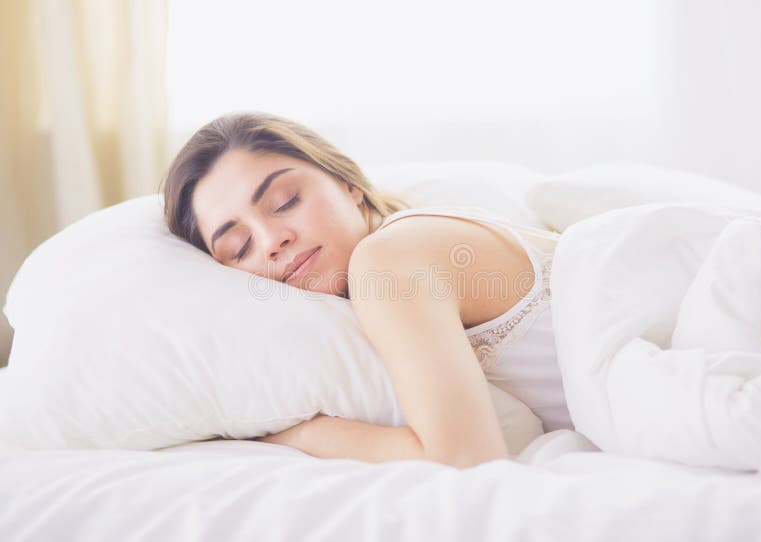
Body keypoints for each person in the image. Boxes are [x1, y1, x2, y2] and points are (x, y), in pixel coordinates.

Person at [161, 112, 571, 469]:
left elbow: (464, 459)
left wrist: (300, 436)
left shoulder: (386, 258)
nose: (270, 241)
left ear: (347, 183)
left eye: (285, 201)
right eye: (240, 247)